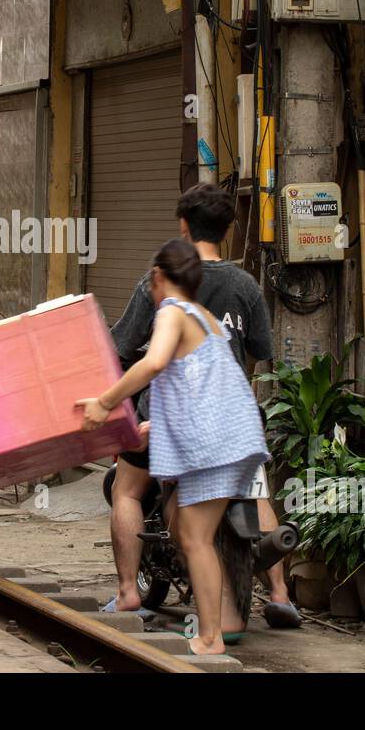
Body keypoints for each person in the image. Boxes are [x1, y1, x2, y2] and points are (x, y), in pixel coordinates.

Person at [106, 183, 301, 631]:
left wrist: (109, 400)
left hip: (168, 414)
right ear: (228, 230)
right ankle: (279, 593)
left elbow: (125, 345)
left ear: (182, 226)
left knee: (127, 490)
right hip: (232, 418)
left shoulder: (160, 281)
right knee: (254, 492)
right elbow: (259, 350)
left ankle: (127, 592)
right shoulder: (245, 286)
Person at [77, 239, 268, 655]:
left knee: (195, 537)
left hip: (218, 441)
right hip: (232, 436)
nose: (150, 290)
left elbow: (154, 363)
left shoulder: (173, 312)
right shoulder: (204, 317)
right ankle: (211, 629)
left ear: (160, 278)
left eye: (152, 282)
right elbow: (197, 385)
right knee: (184, 529)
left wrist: (105, 402)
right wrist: (153, 427)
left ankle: (211, 637)